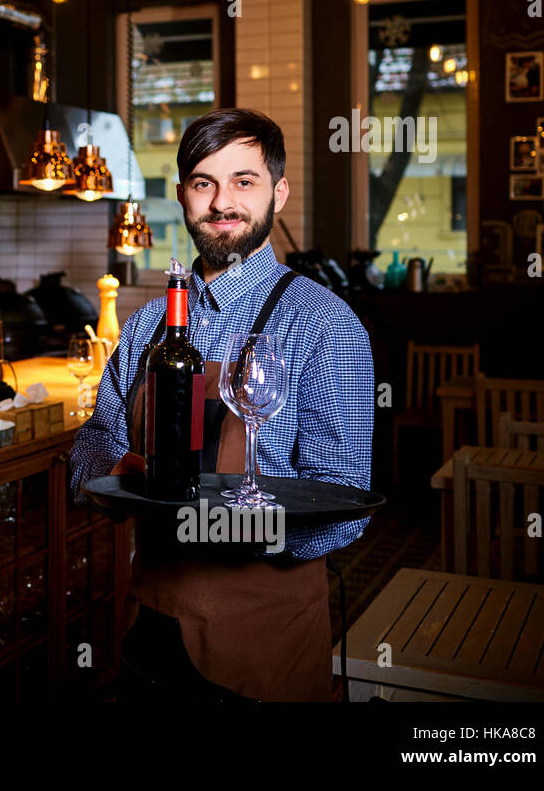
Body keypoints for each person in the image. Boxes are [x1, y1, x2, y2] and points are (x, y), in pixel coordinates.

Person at [69, 108, 374, 702]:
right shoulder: (147, 326)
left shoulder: (324, 325)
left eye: (244, 181)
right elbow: (93, 437)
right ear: (182, 195)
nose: (221, 202)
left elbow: (345, 501)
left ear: (278, 193)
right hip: (149, 629)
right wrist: (110, 473)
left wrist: (237, 528)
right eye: (204, 182)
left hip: (262, 646)